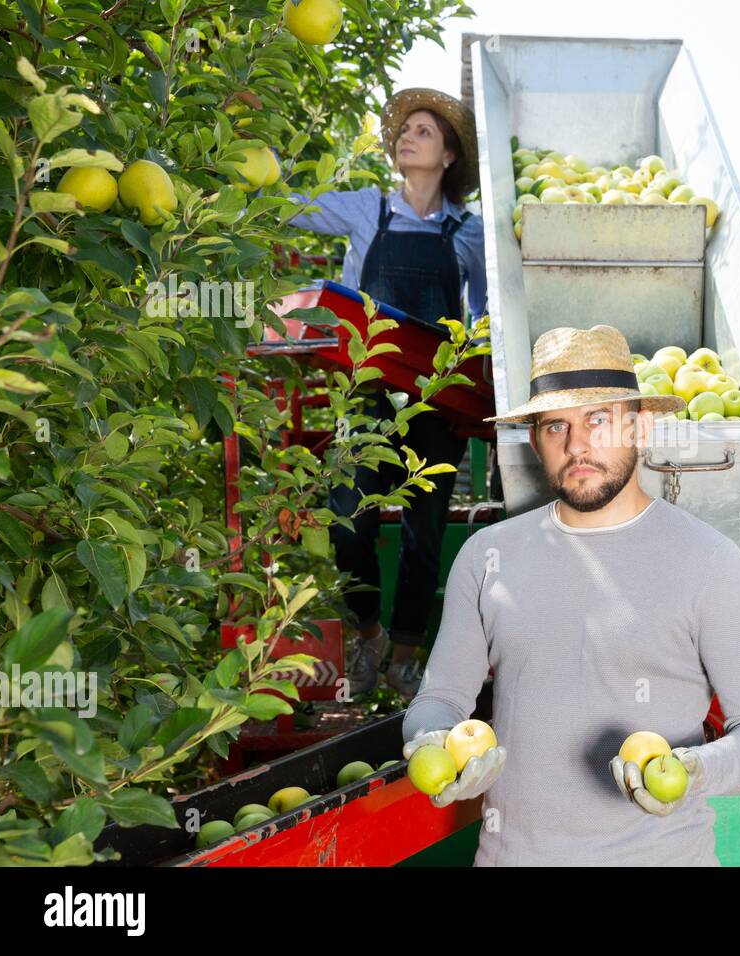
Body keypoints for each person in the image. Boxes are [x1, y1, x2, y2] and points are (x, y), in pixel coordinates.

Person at [400, 325, 740, 865]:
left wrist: (694, 768)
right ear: (535, 440)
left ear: (641, 425)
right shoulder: (487, 558)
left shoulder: (710, 561)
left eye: (599, 420)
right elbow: (439, 701)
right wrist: (429, 742)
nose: (577, 444)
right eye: (556, 425)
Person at [285, 88, 487, 697]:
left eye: (424, 131)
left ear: (448, 155)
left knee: (426, 533)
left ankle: (403, 655)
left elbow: (485, 312)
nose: (408, 137)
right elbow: (288, 206)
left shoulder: (468, 233)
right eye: (404, 130)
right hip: (365, 391)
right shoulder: (364, 211)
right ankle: (369, 632)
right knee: (348, 522)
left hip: (437, 396)